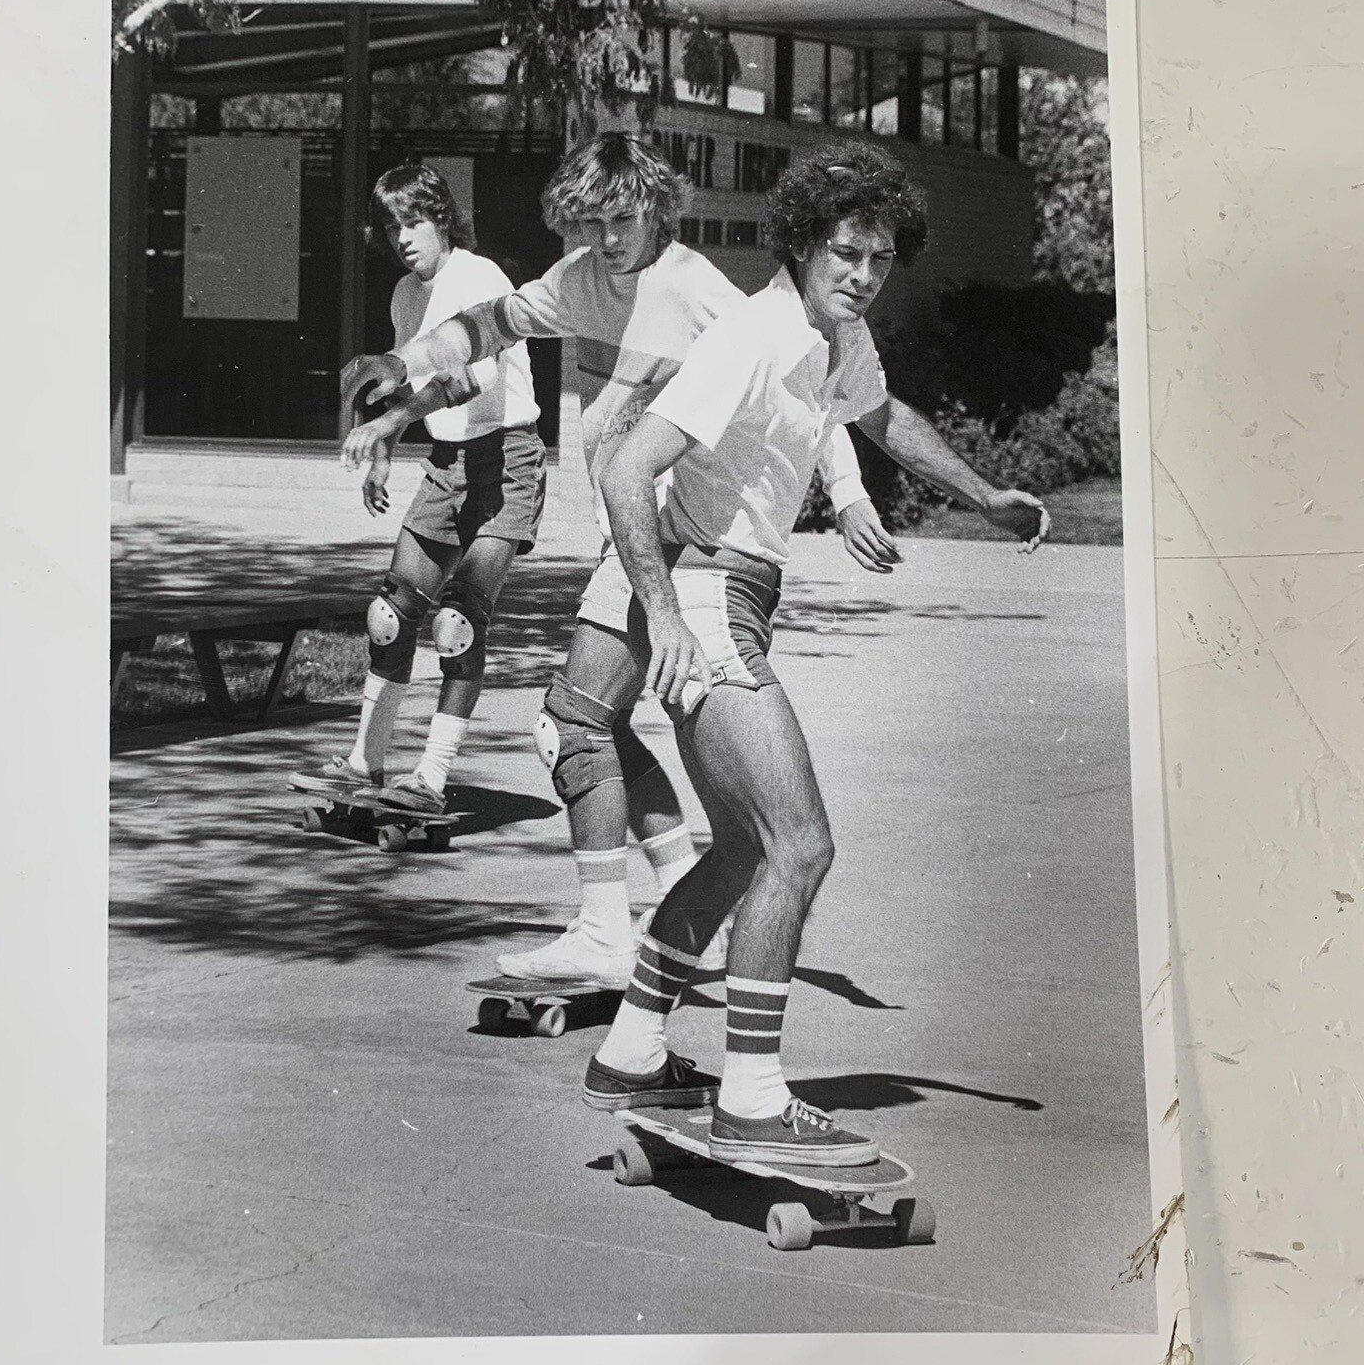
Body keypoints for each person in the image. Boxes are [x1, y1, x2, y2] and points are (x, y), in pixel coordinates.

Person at [579, 138, 1051, 1164]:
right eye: (845, 253)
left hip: (735, 596)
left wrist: (986, 498)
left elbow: (882, 418)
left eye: (880, 258)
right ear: (799, 244)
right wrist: (659, 616)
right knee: (801, 843)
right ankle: (750, 1091)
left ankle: (629, 1045)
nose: (863, 275)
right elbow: (626, 469)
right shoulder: (753, 335)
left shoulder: (830, 340)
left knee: (746, 846)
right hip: (702, 599)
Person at [341, 135, 895, 987]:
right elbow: (486, 324)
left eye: (621, 220)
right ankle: (669, 895)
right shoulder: (580, 279)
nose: (606, 239)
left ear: (657, 208)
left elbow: (804, 384)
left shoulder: (699, 288)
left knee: (580, 727)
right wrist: (400, 363)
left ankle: (630, 924)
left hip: (690, 544)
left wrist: (850, 494)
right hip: (631, 539)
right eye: (591, 223)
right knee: (587, 727)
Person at [290, 162, 544, 814]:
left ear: (441, 218)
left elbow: (466, 381)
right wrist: (386, 448)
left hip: (507, 463)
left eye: (414, 221)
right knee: (389, 614)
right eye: (391, 225)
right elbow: (412, 381)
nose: (403, 237)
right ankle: (365, 766)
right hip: (448, 462)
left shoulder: (480, 277)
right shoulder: (406, 293)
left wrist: (386, 420)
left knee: (458, 622)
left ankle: (429, 779)